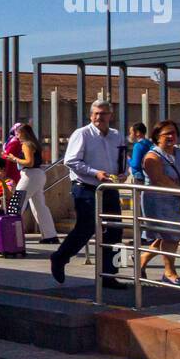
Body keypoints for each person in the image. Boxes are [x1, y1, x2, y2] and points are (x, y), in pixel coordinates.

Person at [50, 100, 127, 286]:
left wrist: (124, 172)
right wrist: (95, 173)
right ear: (91, 116)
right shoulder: (82, 134)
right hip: (86, 186)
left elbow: (123, 158)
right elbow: (71, 161)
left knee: (114, 230)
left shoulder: (117, 136)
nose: (100, 117)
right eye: (96, 114)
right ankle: (60, 257)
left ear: (111, 115)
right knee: (87, 226)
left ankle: (108, 274)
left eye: (104, 113)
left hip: (109, 188)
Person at [137, 120, 180, 285]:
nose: (171, 136)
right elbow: (159, 179)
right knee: (171, 237)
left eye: (173, 133)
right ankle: (169, 273)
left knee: (166, 236)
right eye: (166, 134)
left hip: (175, 199)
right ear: (157, 137)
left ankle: (141, 261)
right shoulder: (152, 157)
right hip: (158, 201)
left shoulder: (178, 153)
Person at [10, 122, 57, 243]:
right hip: (38, 174)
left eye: (18, 133)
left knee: (17, 203)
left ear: (23, 133)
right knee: (39, 206)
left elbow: (29, 162)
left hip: (30, 175)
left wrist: (14, 158)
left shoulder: (26, 144)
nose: (17, 136)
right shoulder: (34, 144)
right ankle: (50, 235)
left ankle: (11, 234)